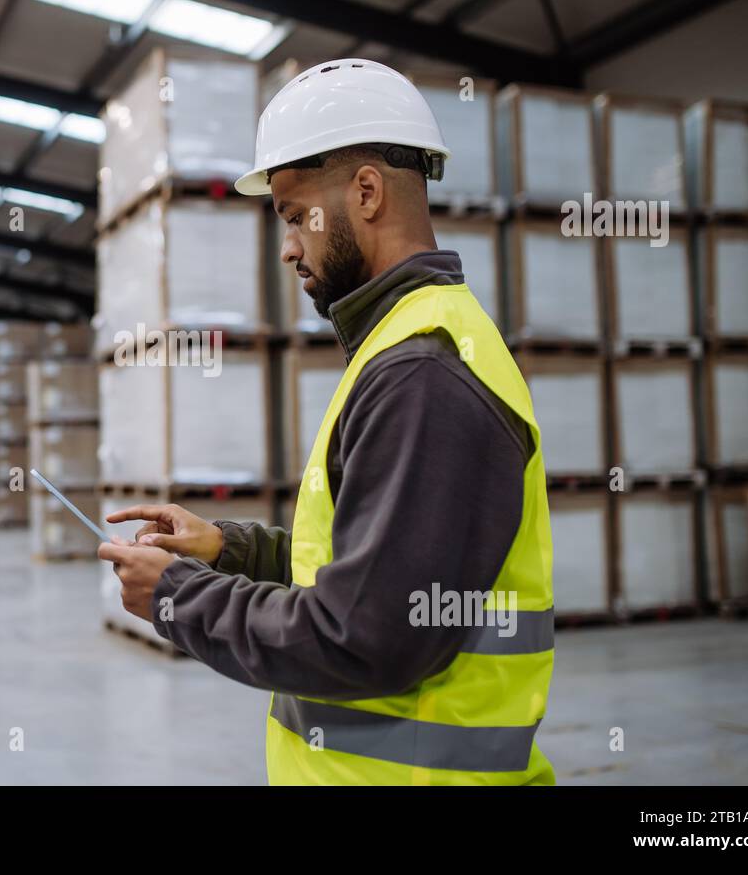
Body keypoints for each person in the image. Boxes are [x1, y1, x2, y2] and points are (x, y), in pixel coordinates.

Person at [98, 59, 555, 786]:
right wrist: (227, 549)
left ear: (366, 192)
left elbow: (365, 639)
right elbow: (375, 571)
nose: (287, 247)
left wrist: (178, 596)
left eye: (291, 213)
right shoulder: (408, 346)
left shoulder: (421, 374)